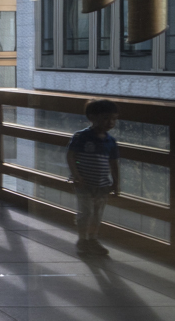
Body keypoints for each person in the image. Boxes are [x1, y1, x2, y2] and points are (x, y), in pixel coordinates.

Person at [67, 99, 120, 256]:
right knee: (86, 212)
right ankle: (83, 239)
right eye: (106, 118)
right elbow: (71, 156)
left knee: (97, 214)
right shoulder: (81, 136)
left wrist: (116, 183)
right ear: (92, 117)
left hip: (102, 185)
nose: (110, 122)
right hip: (84, 184)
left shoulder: (111, 141)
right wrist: (76, 175)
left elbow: (114, 163)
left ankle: (93, 239)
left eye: (114, 119)